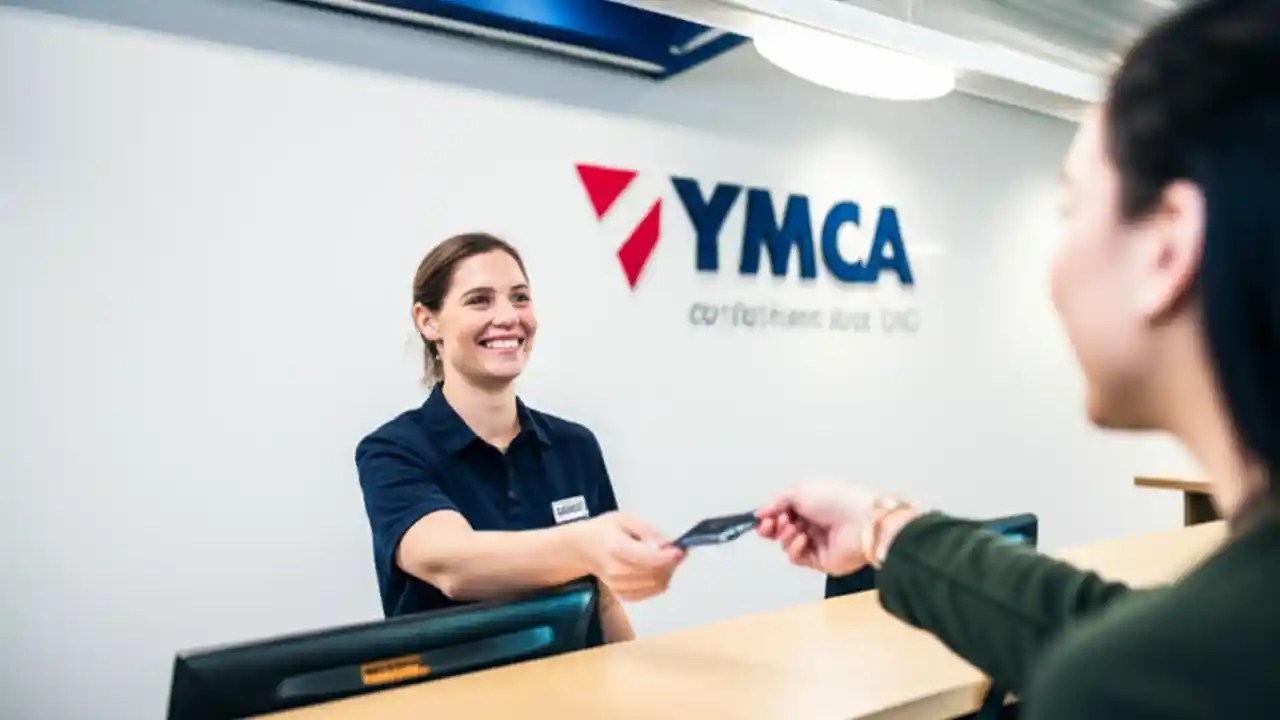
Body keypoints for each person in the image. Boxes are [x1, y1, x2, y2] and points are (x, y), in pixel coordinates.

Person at [757, 1, 1279, 718]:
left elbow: (1132, 666)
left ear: (1167, 246)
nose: (1053, 268)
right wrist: (883, 528)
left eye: (1071, 208)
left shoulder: (1134, 685)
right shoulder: (1211, 653)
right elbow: (1104, 629)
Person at [355, 232, 684, 643]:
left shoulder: (574, 445)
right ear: (428, 321)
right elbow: (453, 567)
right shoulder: (394, 450)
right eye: (480, 300)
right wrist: (586, 544)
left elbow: (601, 600)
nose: (508, 316)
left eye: (520, 297)